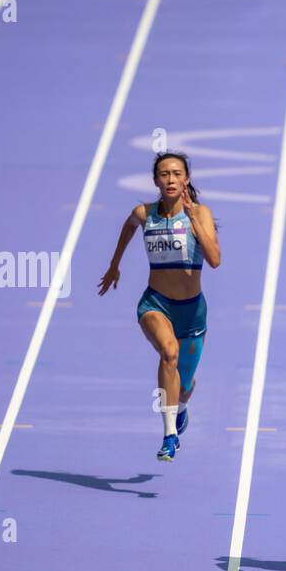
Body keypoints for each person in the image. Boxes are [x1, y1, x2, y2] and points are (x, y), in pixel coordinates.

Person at [99, 151, 221, 460]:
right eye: (164, 174)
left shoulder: (200, 214)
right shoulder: (145, 214)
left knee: (185, 385)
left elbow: (215, 260)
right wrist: (115, 265)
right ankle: (169, 435)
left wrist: (194, 222)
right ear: (156, 180)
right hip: (155, 304)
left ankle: (180, 407)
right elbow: (128, 227)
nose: (170, 179)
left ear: (186, 180)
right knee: (169, 353)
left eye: (176, 174)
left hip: (192, 311)